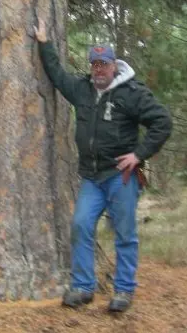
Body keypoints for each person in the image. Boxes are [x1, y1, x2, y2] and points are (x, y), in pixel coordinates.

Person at [34, 19, 172, 312]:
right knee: (81, 225)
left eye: (104, 64)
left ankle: (123, 291)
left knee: (124, 234)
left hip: (121, 176)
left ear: (114, 65)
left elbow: (162, 123)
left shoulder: (132, 93)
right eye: (94, 64)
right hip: (91, 177)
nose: (99, 69)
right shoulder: (82, 89)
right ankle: (83, 287)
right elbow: (57, 75)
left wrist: (138, 155)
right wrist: (44, 43)